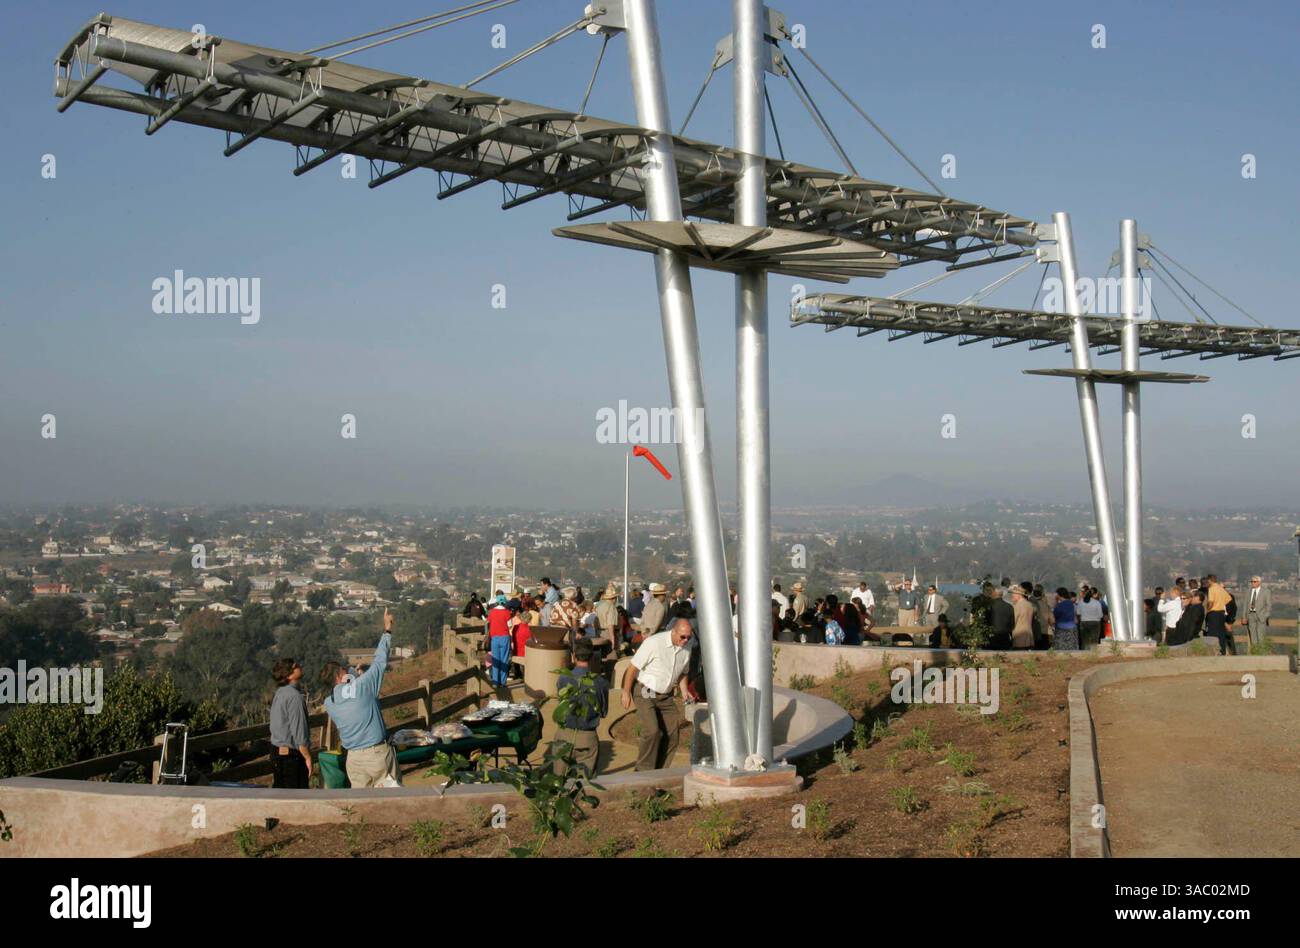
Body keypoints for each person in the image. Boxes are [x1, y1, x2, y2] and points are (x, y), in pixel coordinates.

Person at [322, 610, 399, 788]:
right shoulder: (363, 685)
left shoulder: (329, 703)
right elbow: (380, 661)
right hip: (377, 754)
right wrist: (387, 630)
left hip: (354, 759)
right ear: (338, 677)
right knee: (392, 800)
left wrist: (354, 678)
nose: (347, 671)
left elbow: (348, 696)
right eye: (343, 670)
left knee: (361, 804)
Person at [621, 618, 694, 771]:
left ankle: (659, 772)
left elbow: (683, 672)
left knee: (673, 733)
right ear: (673, 632)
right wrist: (626, 692)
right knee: (652, 731)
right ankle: (642, 772)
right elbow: (632, 668)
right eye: (683, 636)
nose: (686, 640)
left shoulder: (687, 647)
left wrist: (685, 690)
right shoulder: (654, 642)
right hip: (645, 692)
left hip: (665, 696)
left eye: (689, 637)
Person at [553, 637, 609, 777]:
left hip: (564, 734)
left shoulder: (563, 678)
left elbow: (561, 704)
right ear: (592, 657)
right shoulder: (600, 682)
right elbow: (603, 712)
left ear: (574, 655)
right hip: (587, 736)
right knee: (584, 785)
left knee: (559, 781)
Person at [270, 657, 312, 789]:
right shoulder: (295, 696)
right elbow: (299, 732)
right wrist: (308, 758)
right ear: (289, 674)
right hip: (291, 757)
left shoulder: (280, 692)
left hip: (277, 752)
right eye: (296, 666)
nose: (300, 666)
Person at [484, 593, 513, 685]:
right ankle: (503, 682)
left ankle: (495, 682)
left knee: (495, 660)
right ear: (504, 602)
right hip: (505, 637)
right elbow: (510, 625)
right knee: (504, 660)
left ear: (497, 602)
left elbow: (488, 621)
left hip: (495, 638)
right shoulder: (507, 612)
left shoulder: (492, 612)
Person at [1203, 573, 1234, 655]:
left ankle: (1214, 651)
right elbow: (1229, 599)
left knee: (1213, 634)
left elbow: (1210, 602)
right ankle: (1222, 651)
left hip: (1213, 613)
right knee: (1221, 634)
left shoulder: (1211, 589)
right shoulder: (1221, 588)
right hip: (1221, 613)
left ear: (1209, 580)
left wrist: (1207, 610)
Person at [1243, 576, 1272, 649]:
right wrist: (1244, 617)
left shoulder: (1266, 591)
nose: (1252, 583)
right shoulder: (1248, 591)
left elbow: (1269, 605)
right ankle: (1255, 653)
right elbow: (1245, 605)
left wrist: (1265, 616)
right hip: (1250, 615)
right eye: (1251, 581)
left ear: (1259, 582)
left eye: (1254, 581)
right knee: (1253, 636)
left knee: (1260, 636)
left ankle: (1261, 654)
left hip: (1261, 616)